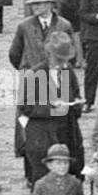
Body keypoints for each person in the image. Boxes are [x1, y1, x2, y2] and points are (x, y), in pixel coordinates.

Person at [19, 30, 83, 185]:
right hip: (43, 134)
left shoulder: (68, 72)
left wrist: (76, 105)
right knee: (43, 180)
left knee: (70, 179)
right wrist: (52, 108)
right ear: (49, 54)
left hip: (67, 133)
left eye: (65, 60)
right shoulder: (35, 73)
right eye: (59, 59)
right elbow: (26, 106)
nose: (63, 64)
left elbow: (75, 95)